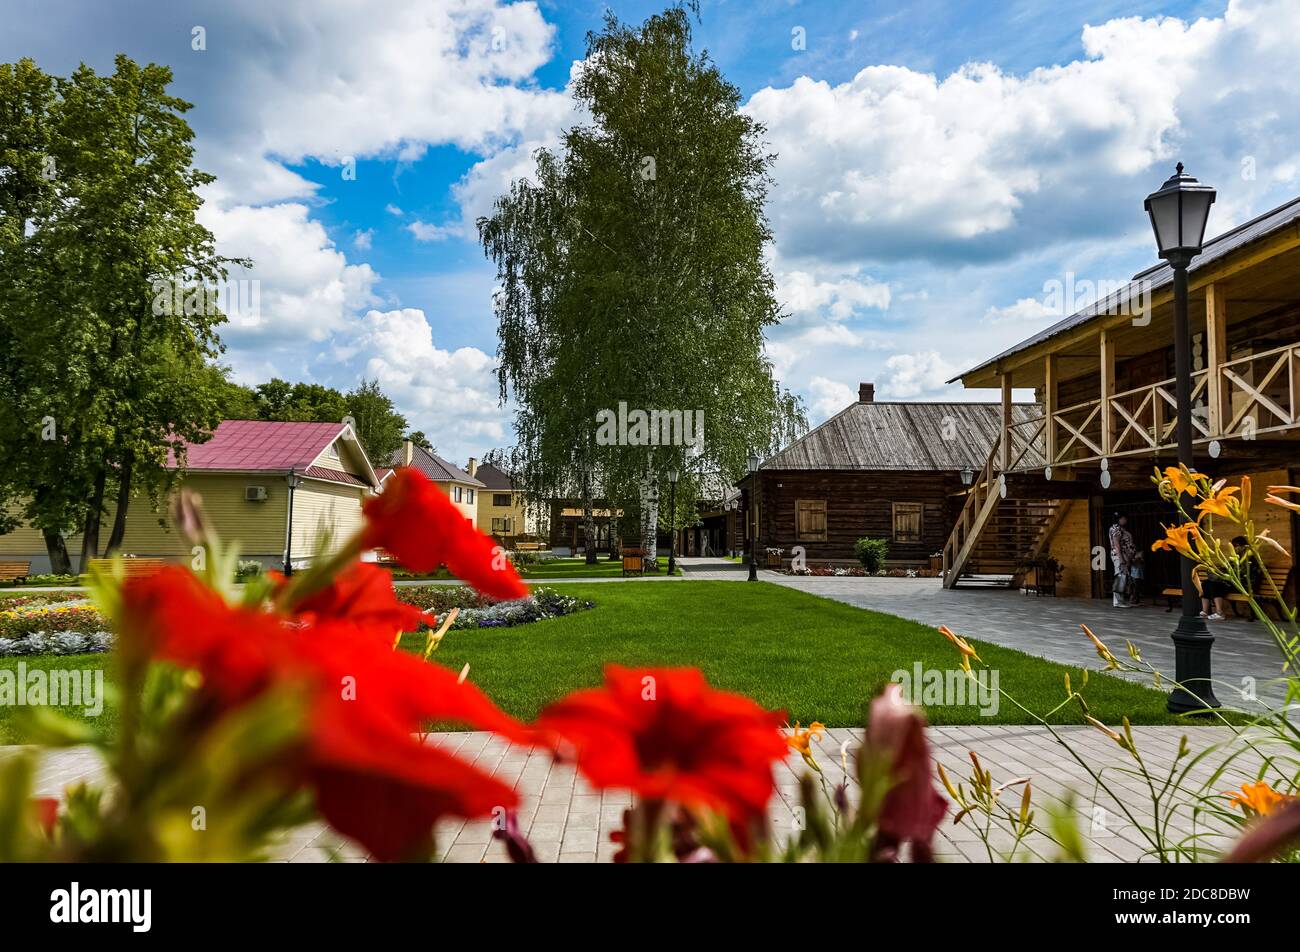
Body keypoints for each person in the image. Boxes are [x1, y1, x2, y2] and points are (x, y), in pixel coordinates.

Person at [1109, 513, 1137, 608]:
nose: (1125, 520)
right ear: (1118, 519)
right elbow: (1116, 544)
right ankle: (1117, 601)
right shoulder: (1116, 529)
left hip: (1125, 556)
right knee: (1120, 576)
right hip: (1120, 556)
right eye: (1123, 518)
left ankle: (1121, 600)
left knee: (1123, 576)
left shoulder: (1121, 529)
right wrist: (1121, 559)